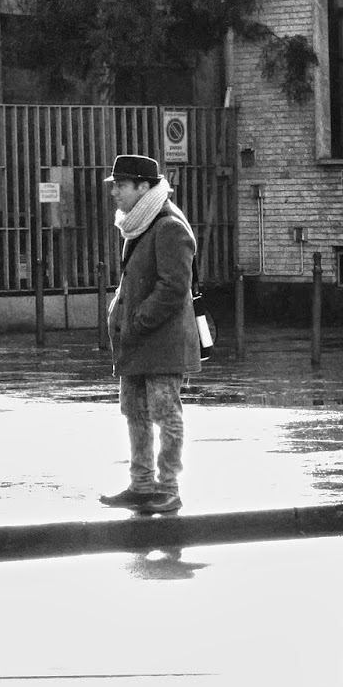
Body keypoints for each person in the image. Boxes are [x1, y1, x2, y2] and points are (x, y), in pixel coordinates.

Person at [97, 154, 201, 514]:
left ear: (144, 187)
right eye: (115, 186)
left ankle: (168, 487)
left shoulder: (168, 224)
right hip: (139, 341)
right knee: (134, 412)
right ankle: (141, 485)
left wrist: (137, 320)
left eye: (121, 186)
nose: (115, 193)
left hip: (162, 341)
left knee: (164, 412)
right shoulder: (137, 224)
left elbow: (174, 287)